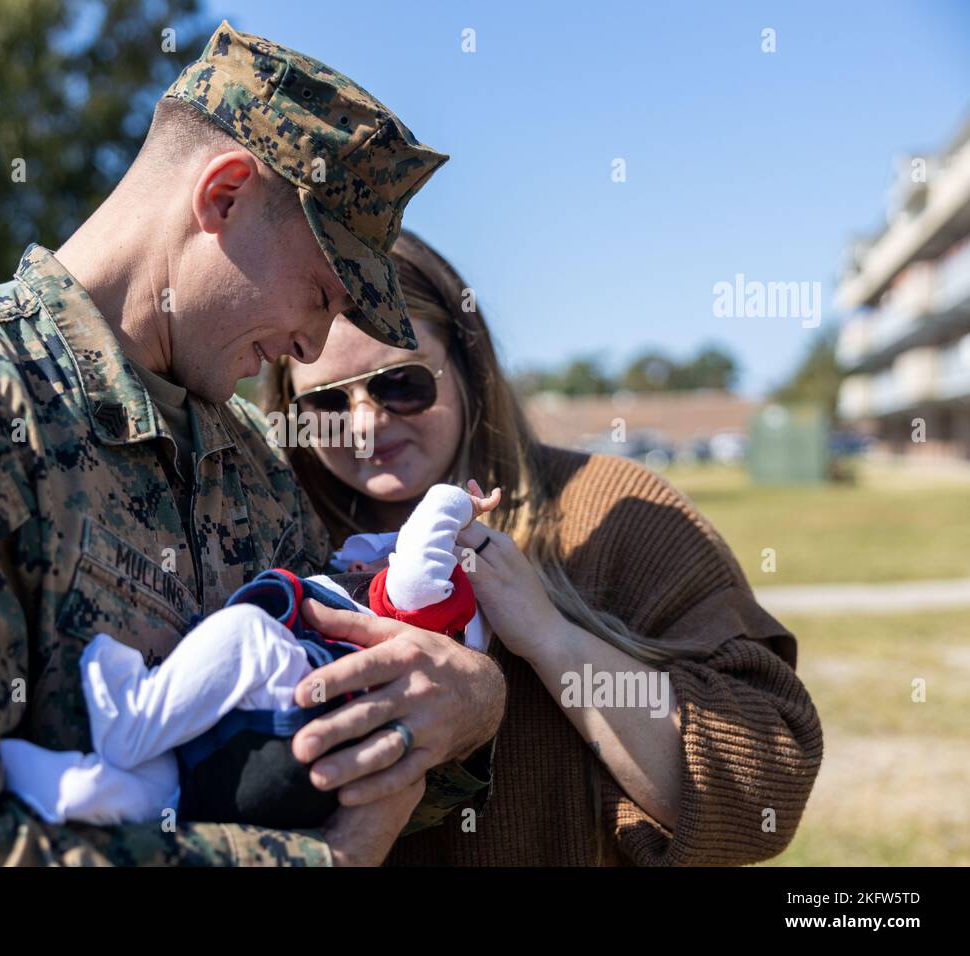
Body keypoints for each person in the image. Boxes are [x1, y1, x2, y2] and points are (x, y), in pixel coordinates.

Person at [0, 22, 506, 867]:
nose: (313, 349)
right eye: (319, 294)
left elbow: (329, 748)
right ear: (224, 195)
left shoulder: (250, 467)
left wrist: (471, 709)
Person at [261, 230, 826, 865]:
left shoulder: (615, 510)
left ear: (469, 369)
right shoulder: (272, 540)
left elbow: (761, 794)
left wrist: (553, 641)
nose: (365, 422)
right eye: (328, 402)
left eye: (401, 384)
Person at [0, 481, 497, 829]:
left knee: (250, 632)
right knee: (170, 789)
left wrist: (456, 502)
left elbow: (418, 553)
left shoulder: (423, 606)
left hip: (303, 703)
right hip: (290, 775)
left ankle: (132, 720)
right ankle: (81, 790)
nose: (364, 562)